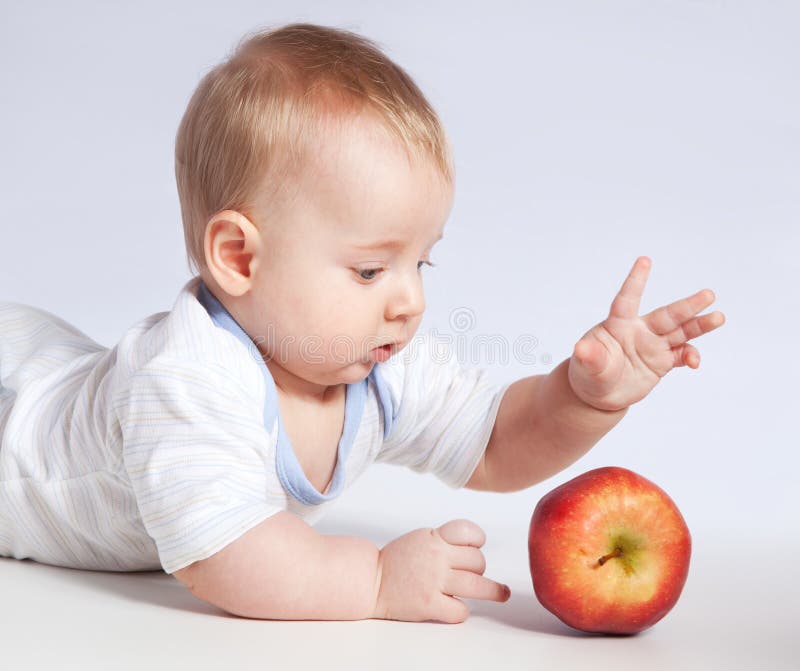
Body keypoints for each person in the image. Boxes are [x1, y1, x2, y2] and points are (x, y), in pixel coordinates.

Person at [0, 22, 725, 624]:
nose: (409, 300)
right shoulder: (185, 380)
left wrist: (581, 396)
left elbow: (494, 444)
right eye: (371, 270)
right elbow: (226, 558)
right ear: (239, 258)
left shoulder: (378, 361)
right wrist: (376, 579)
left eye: (422, 264)